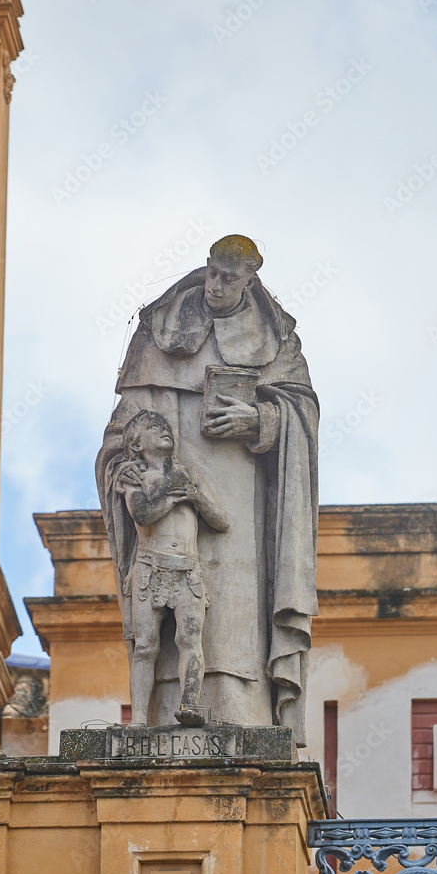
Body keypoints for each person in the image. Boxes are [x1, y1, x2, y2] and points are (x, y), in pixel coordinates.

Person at [96, 234, 319, 746]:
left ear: (250, 280)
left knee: (234, 622)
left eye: (229, 278)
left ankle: (242, 711)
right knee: (162, 637)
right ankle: (165, 715)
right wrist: (128, 472)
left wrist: (261, 418)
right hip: (163, 524)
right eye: (212, 272)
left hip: (242, 514)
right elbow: (118, 433)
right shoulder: (158, 332)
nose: (216, 285)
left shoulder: (276, 339)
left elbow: (303, 416)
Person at [116, 409, 229, 726]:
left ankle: (190, 706)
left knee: (191, 639)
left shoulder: (189, 475)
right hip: (149, 570)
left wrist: (195, 496)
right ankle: (138, 718)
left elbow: (221, 521)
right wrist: (174, 498)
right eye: (154, 426)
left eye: (166, 425)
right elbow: (142, 514)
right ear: (137, 444)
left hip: (187, 571)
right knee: (146, 647)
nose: (164, 429)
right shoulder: (134, 476)